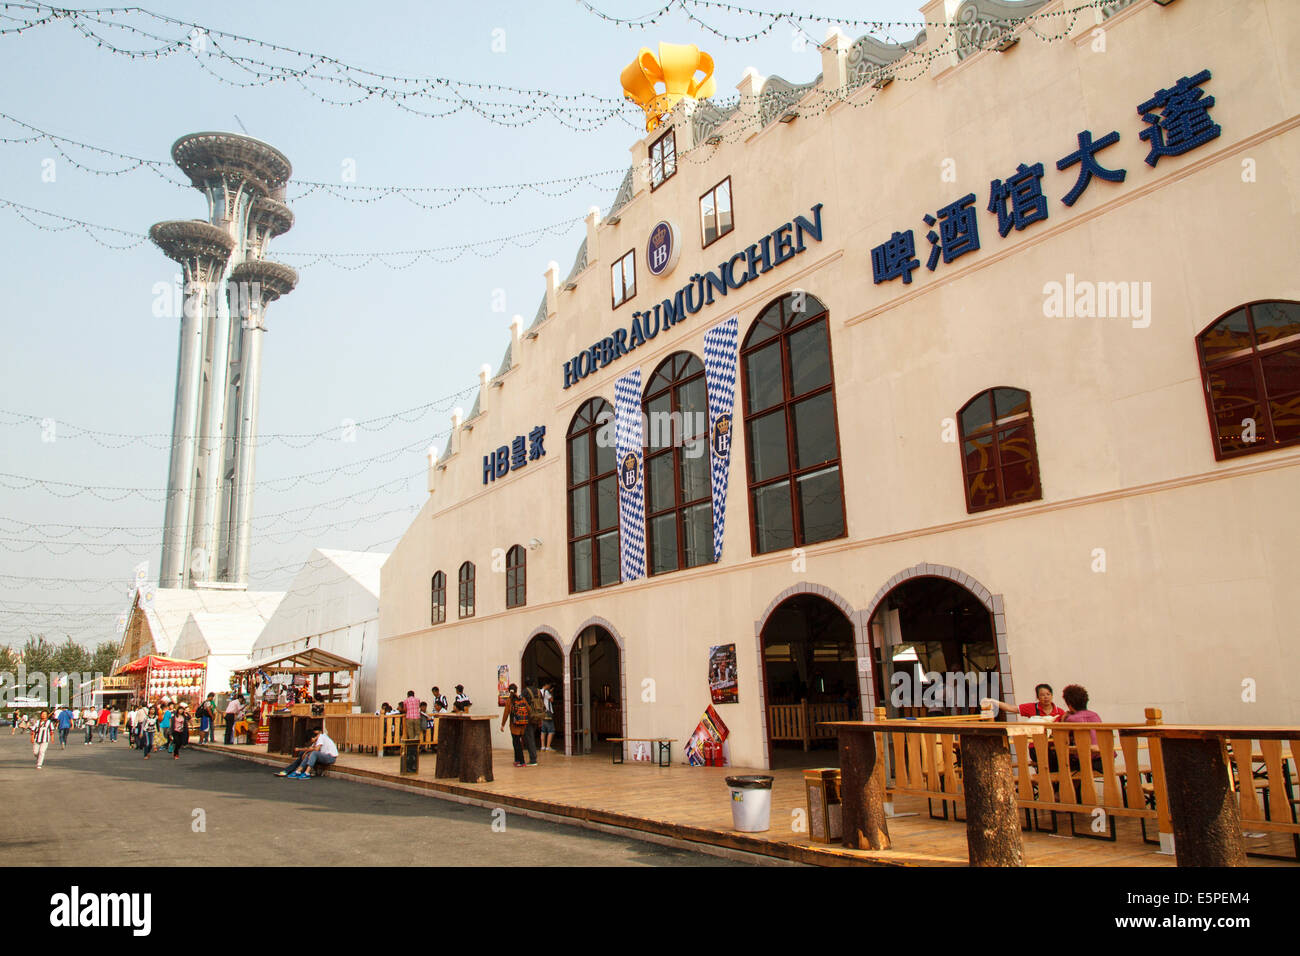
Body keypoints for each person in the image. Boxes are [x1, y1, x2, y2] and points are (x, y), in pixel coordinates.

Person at [1060, 683, 1104, 773]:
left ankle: (1066, 786)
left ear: (1070, 705)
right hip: (1103, 759)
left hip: (1083, 760)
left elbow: (1063, 737)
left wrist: (1063, 719)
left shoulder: (1071, 719)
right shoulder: (1095, 715)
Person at [984, 684, 1065, 722]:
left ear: (1052, 695)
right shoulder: (1031, 707)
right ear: (1037, 697)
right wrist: (993, 701)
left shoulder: (1060, 712)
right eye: (1042, 695)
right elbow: (1011, 708)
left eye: (1048, 694)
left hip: (1055, 746)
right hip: (1035, 745)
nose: (1046, 697)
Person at [500, 683, 536, 767]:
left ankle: (522, 761)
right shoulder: (522, 698)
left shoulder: (510, 700)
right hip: (523, 725)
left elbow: (506, 713)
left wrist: (502, 725)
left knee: (516, 744)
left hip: (514, 726)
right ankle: (517, 760)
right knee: (518, 742)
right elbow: (529, 709)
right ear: (516, 690)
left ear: (509, 691)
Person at [539, 681, 557, 752]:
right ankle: (548, 746)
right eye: (548, 685)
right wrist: (551, 692)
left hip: (541, 712)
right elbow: (551, 700)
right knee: (551, 730)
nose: (549, 686)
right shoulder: (546, 692)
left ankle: (542, 746)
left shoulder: (539, 691)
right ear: (545, 685)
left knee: (543, 730)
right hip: (547, 712)